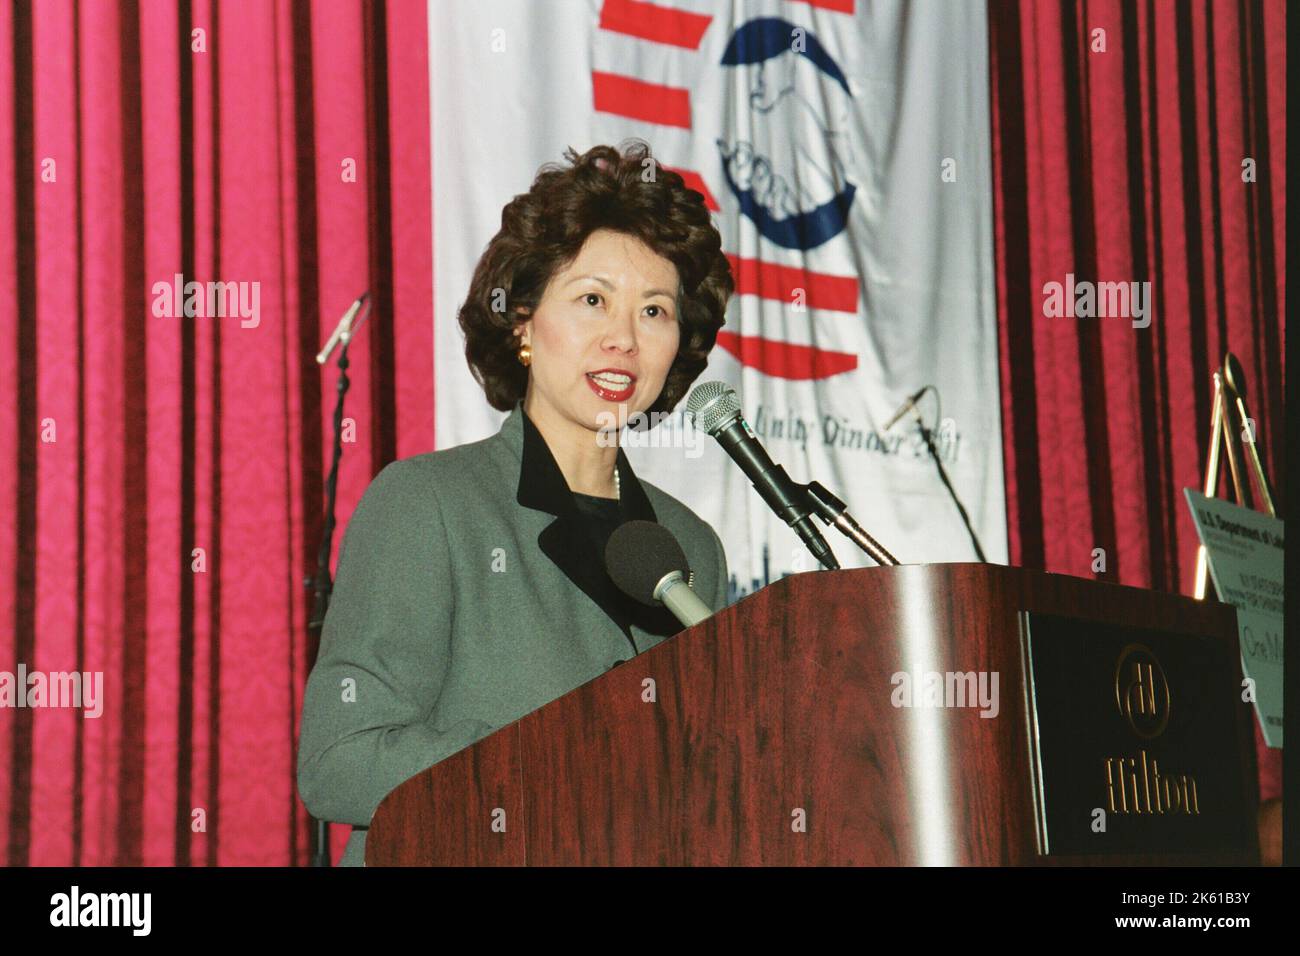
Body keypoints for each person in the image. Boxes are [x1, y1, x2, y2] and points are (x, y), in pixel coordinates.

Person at [296, 140, 736, 866]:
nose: (623, 339)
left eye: (655, 310)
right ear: (524, 322)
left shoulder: (692, 547)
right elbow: (339, 761)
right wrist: (559, 764)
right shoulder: (427, 505)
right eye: (593, 300)